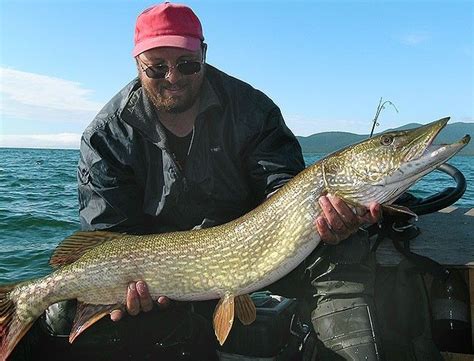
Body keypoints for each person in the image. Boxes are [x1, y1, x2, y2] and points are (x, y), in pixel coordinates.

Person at [11, 3, 381, 361]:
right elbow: (109, 232)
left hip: (255, 253)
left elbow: (282, 188)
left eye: (186, 64)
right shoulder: (106, 137)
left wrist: (329, 218)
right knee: (61, 318)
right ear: (138, 64)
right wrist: (120, 292)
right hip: (155, 283)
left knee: (345, 256)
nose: (172, 77)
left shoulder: (252, 111)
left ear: (203, 54)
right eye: (156, 68)